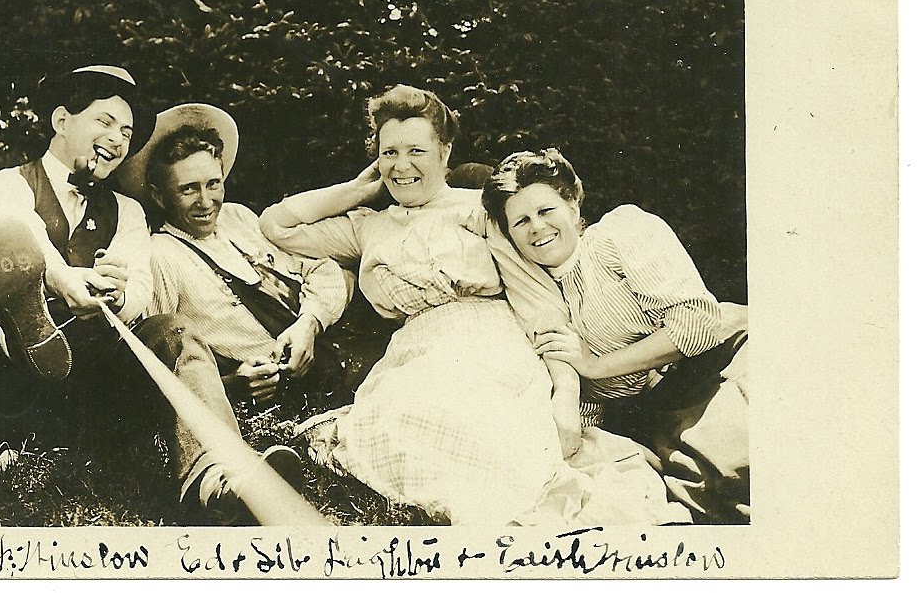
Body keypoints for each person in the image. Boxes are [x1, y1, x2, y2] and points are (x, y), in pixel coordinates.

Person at [259, 84, 688, 526]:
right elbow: (276, 224)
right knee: (404, 418)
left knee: (480, 428)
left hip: (493, 342)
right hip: (416, 350)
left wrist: (566, 391)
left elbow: (537, 302)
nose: (402, 165)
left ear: (445, 151)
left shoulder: (485, 211)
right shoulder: (369, 228)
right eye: (389, 153)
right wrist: (357, 190)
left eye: (416, 150)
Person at [481, 147, 750, 522]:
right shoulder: (535, 299)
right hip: (654, 414)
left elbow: (698, 323)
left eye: (546, 211)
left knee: (744, 471)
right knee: (689, 504)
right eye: (520, 221)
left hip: (721, 364)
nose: (537, 227)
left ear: (573, 205)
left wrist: (595, 365)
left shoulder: (617, 234)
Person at [114, 103, 354, 522]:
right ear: (159, 195)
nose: (206, 201)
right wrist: (233, 386)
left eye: (214, 183)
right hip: (277, 390)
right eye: (188, 189)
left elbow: (324, 269)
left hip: (326, 345)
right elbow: (159, 369)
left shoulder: (240, 219)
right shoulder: (161, 256)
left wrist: (309, 323)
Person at [0, 64, 160, 482]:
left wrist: (118, 294)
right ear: (61, 121)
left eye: (127, 133)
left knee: (170, 329)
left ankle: (212, 465)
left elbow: (142, 289)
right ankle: (15, 339)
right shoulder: (4, 184)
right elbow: (12, 228)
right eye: (105, 121)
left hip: (87, 360)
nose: (117, 139)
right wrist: (62, 278)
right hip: (6, 380)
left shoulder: (127, 211)